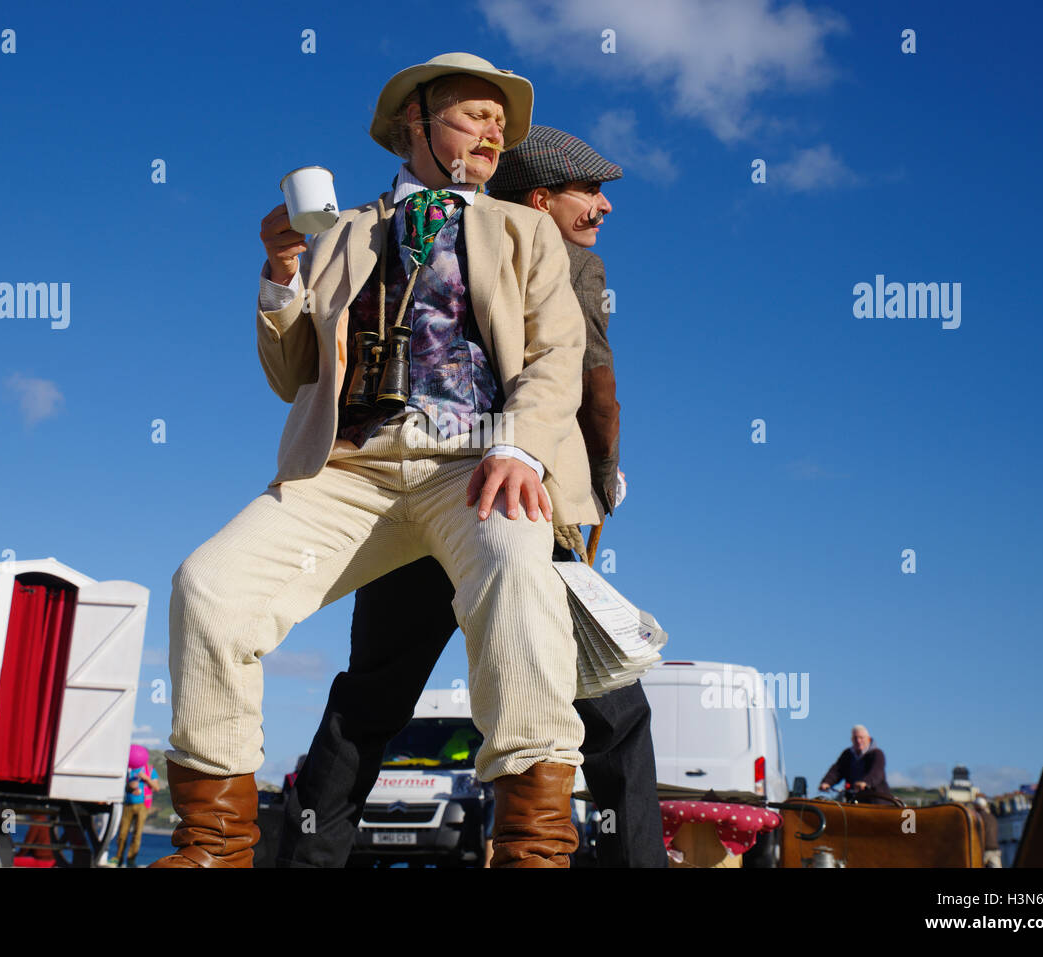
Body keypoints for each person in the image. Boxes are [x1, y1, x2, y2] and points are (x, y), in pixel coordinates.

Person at [152, 53, 603, 869]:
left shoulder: (525, 227)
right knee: (208, 589)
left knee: (520, 579)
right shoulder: (345, 230)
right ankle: (213, 848)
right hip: (350, 470)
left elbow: (557, 353)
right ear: (415, 122)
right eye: (475, 115)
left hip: (475, 464)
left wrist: (518, 447)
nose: (493, 134)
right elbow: (292, 374)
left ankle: (534, 851)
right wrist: (281, 273)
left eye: (501, 124)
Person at [276, 126, 667, 869]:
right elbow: (594, 386)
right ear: (540, 201)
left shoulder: (419, 246)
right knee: (616, 715)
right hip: (509, 503)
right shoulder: (568, 262)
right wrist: (599, 480)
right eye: (588, 192)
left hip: (413, 492)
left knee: (368, 705)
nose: (604, 206)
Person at [819, 724, 891, 801]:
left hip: (876, 799)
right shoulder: (847, 754)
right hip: (853, 798)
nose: (858, 741)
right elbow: (837, 770)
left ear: (869, 739)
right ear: (852, 740)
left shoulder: (877, 754)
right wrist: (827, 782)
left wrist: (865, 782)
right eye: (855, 738)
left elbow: (876, 772)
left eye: (861, 738)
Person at [115, 762, 160, 867]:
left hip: (143, 805)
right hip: (127, 804)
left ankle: (131, 860)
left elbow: (157, 787)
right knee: (122, 833)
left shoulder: (150, 770)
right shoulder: (127, 769)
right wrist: (130, 787)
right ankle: (118, 858)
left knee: (137, 833)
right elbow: (119, 785)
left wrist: (146, 778)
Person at [973, 796, 1001, 867]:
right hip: (995, 849)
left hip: (983, 851)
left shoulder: (976, 818)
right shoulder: (992, 817)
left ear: (976, 806)